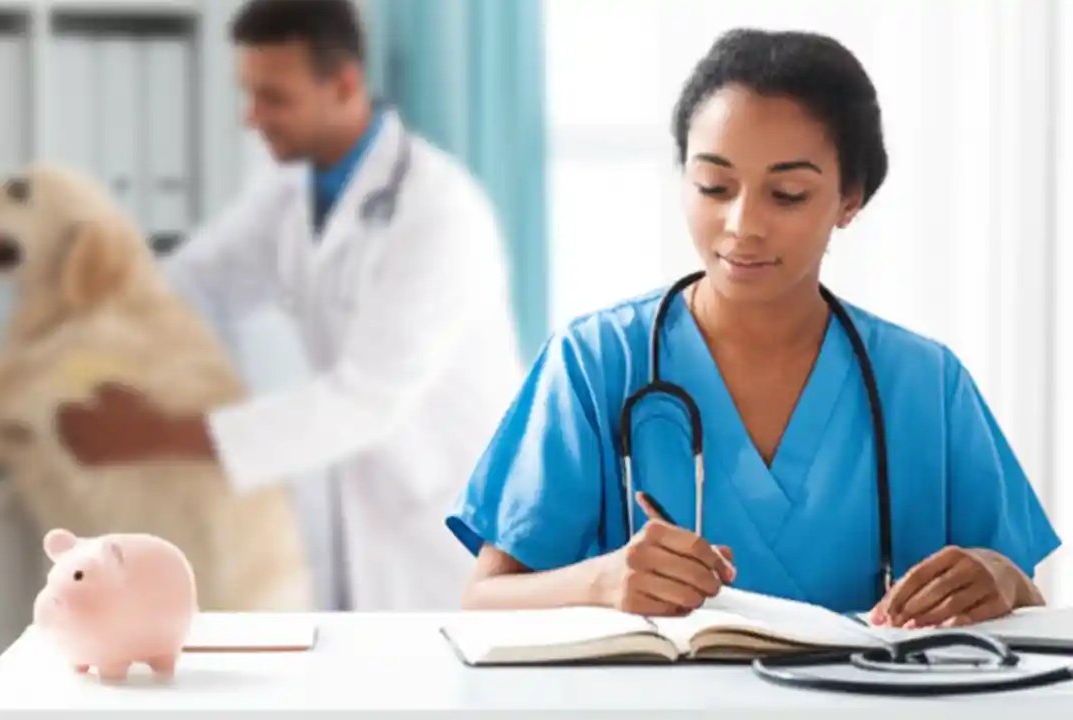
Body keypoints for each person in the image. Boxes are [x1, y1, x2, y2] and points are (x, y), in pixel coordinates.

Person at [447, 28, 1060, 628]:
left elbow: (1024, 601)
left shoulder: (926, 385)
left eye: (787, 194)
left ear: (850, 199)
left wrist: (999, 578)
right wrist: (601, 582)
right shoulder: (596, 363)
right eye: (713, 186)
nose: (742, 224)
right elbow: (485, 600)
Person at [56, 0, 522, 611]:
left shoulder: (436, 210)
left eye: (274, 98)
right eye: (248, 94)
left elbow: (364, 399)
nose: (252, 118)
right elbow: (194, 282)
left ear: (344, 85)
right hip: (350, 503)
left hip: (447, 517)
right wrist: (72, 268)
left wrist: (156, 433)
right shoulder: (289, 194)